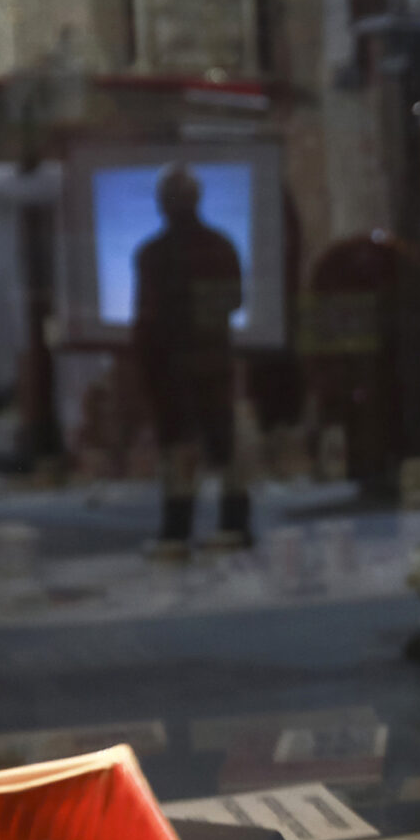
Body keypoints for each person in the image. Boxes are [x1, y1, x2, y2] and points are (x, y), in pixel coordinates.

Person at [133, 165, 250, 552]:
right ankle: (228, 525)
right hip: (204, 363)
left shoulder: (154, 254)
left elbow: (148, 317)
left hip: (178, 366)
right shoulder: (218, 245)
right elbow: (232, 301)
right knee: (215, 448)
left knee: (187, 447)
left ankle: (180, 529)